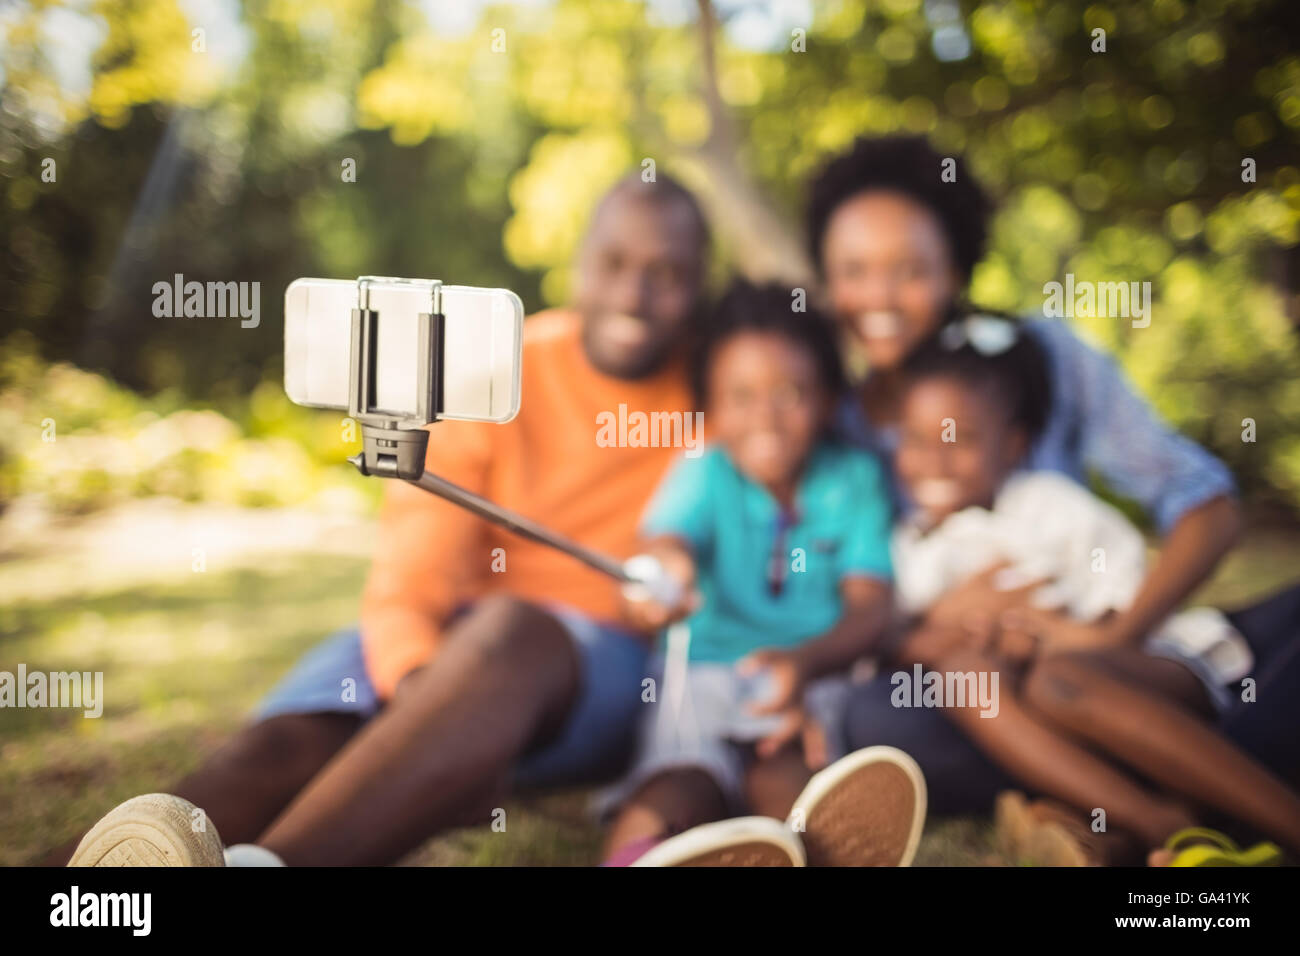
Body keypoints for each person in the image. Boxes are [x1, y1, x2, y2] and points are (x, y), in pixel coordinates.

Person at [56, 172, 712, 867]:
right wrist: (430, 698)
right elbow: (413, 573)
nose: (634, 296)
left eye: (667, 274)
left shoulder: (722, 387)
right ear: (582, 260)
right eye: (615, 263)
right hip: (452, 646)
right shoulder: (505, 367)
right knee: (290, 745)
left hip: (590, 666)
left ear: (701, 285)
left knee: (514, 629)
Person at [805, 135, 1245, 814]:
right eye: (854, 270)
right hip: (966, 683)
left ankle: (1105, 792)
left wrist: (1106, 640)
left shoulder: (1045, 359)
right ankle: (1128, 790)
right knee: (882, 721)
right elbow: (858, 613)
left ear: (956, 270)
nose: (880, 297)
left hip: (1098, 656)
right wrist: (927, 624)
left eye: (910, 269)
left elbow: (1206, 507)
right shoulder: (837, 428)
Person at [883, 314, 1300, 864]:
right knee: (961, 677)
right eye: (916, 439)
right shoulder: (911, 548)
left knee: (1055, 678)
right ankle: (1165, 827)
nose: (934, 459)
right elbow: (904, 642)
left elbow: (1123, 591)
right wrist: (974, 632)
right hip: (1034, 703)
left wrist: (1070, 636)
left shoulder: (1047, 505)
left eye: (958, 439)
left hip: (1134, 667)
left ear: (1013, 444)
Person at [599, 280, 924, 867]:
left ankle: (809, 850)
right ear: (710, 407)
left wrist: (804, 663)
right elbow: (663, 543)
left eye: (790, 394)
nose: (766, 419)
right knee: (678, 784)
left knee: (796, 788)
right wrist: (660, 574)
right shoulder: (703, 470)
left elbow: (870, 606)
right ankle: (640, 857)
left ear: (828, 400)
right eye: (741, 396)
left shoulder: (853, 478)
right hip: (697, 680)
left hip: (806, 683)